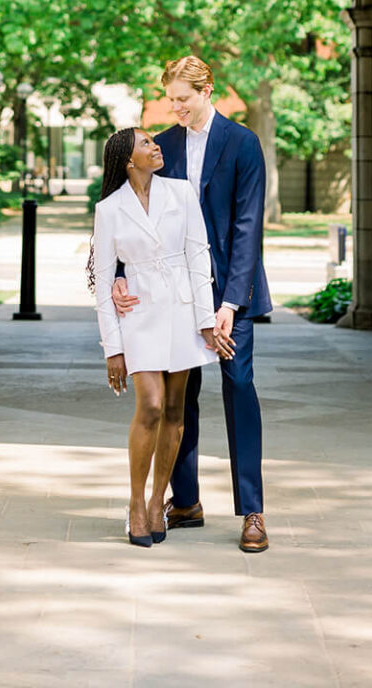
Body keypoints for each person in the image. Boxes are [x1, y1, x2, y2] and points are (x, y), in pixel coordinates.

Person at [113, 55, 272, 553]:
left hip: (230, 294)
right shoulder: (164, 147)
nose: (175, 108)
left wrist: (228, 303)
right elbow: (131, 208)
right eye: (171, 100)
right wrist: (117, 276)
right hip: (174, 295)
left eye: (183, 99)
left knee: (239, 386)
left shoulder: (243, 143)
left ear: (208, 91)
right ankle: (185, 501)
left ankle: (252, 511)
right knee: (179, 396)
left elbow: (248, 227)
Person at [89, 126, 232, 546]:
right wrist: (112, 348)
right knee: (149, 404)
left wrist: (205, 319)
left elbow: (197, 254)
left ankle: (157, 503)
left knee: (174, 408)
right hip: (138, 314)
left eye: (154, 140)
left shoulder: (181, 191)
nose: (156, 146)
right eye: (146, 143)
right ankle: (135, 503)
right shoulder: (110, 208)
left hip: (183, 312)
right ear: (129, 161)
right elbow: (102, 282)